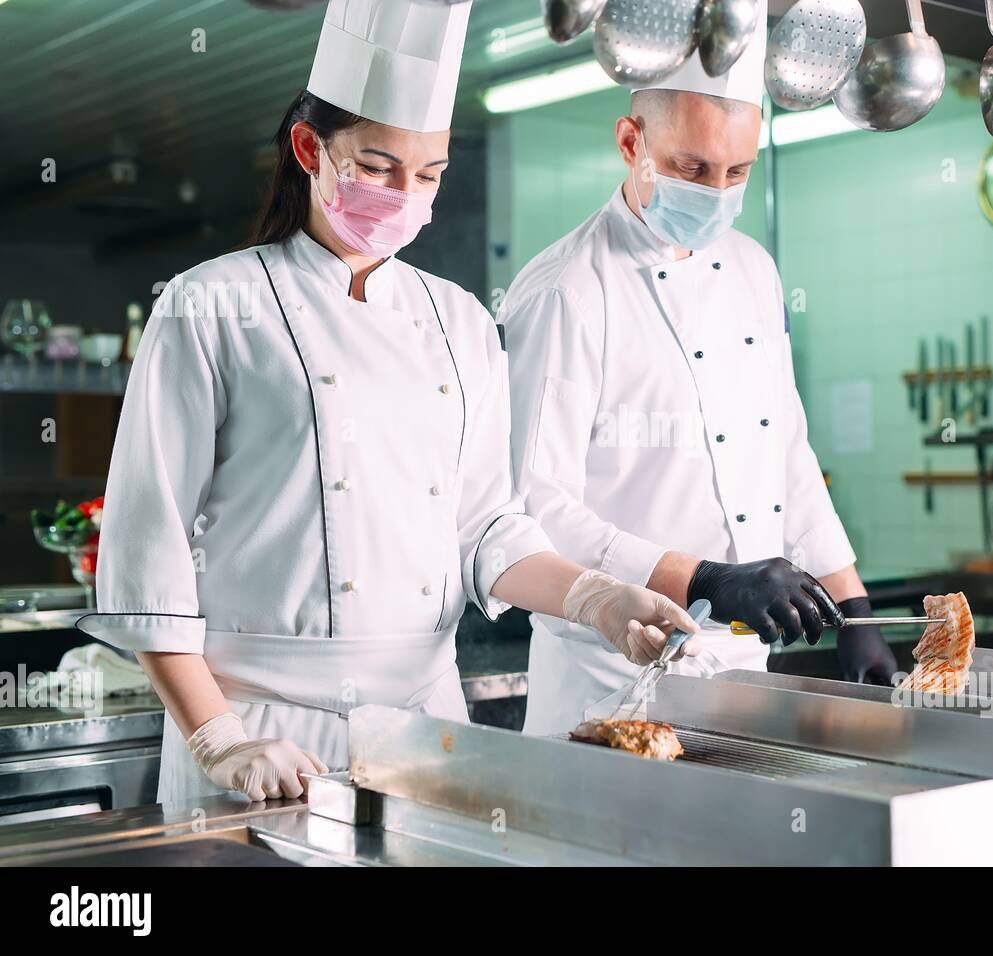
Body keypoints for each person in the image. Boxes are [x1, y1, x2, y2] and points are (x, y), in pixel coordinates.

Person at [78, 0, 697, 805]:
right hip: (261, 736)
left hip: (425, 729)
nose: (405, 194)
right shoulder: (211, 304)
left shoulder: (461, 320)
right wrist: (218, 740)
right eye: (376, 168)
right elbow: (147, 552)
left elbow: (485, 529)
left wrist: (596, 597)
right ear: (310, 148)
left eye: (430, 175)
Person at [499, 0, 897, 736]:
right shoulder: (568, 289)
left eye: (737, 170)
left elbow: (786, 451)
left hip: (743, 675)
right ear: (630, 140)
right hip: (611, 676)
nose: (716, 192)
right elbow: (534, 506)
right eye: (692, 167)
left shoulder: (753, 268)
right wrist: (705, 578)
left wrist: (855, 607)